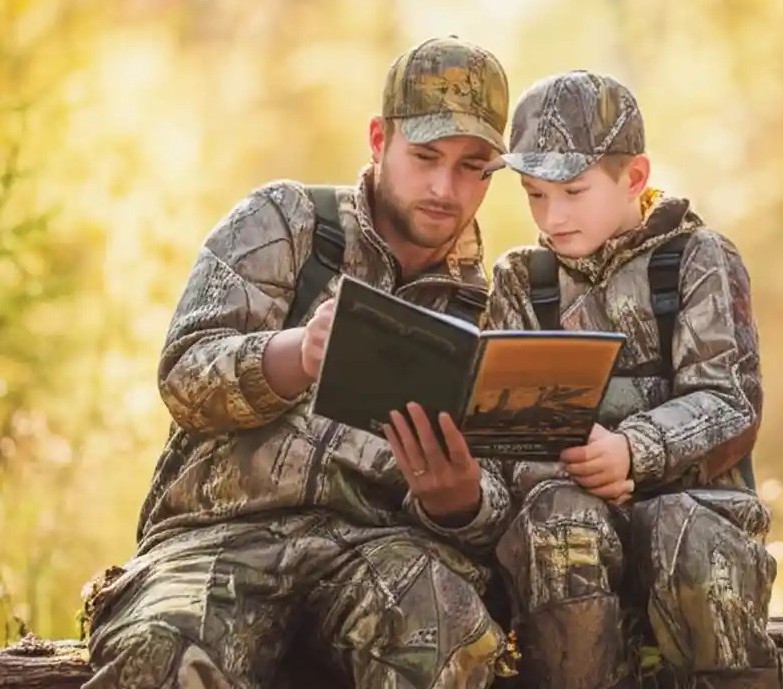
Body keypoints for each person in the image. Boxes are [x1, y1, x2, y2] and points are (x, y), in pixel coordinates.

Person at [80, 36, 518, 689]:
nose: (443, 187)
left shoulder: (493, 308)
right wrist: (295, 356)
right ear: (379, 139)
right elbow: (183, 376)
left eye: (471, 167)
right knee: (163, 651)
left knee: (451, 637)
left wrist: (461, 504)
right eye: (425, 156)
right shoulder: (287, 223)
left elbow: (505, 491)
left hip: (382, 551)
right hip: (213, 537)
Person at [478, 70, 783, 688]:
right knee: (559, 526)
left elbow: (730, 399)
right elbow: (498, 431)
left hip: (698, 516)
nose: (551, 217)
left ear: (634, 178)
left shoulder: (697, 259)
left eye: (572, 192)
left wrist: (632, 450)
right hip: (572, 526)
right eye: (535, 195)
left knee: (687, 537)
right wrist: (568, 469)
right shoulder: (520, 280)